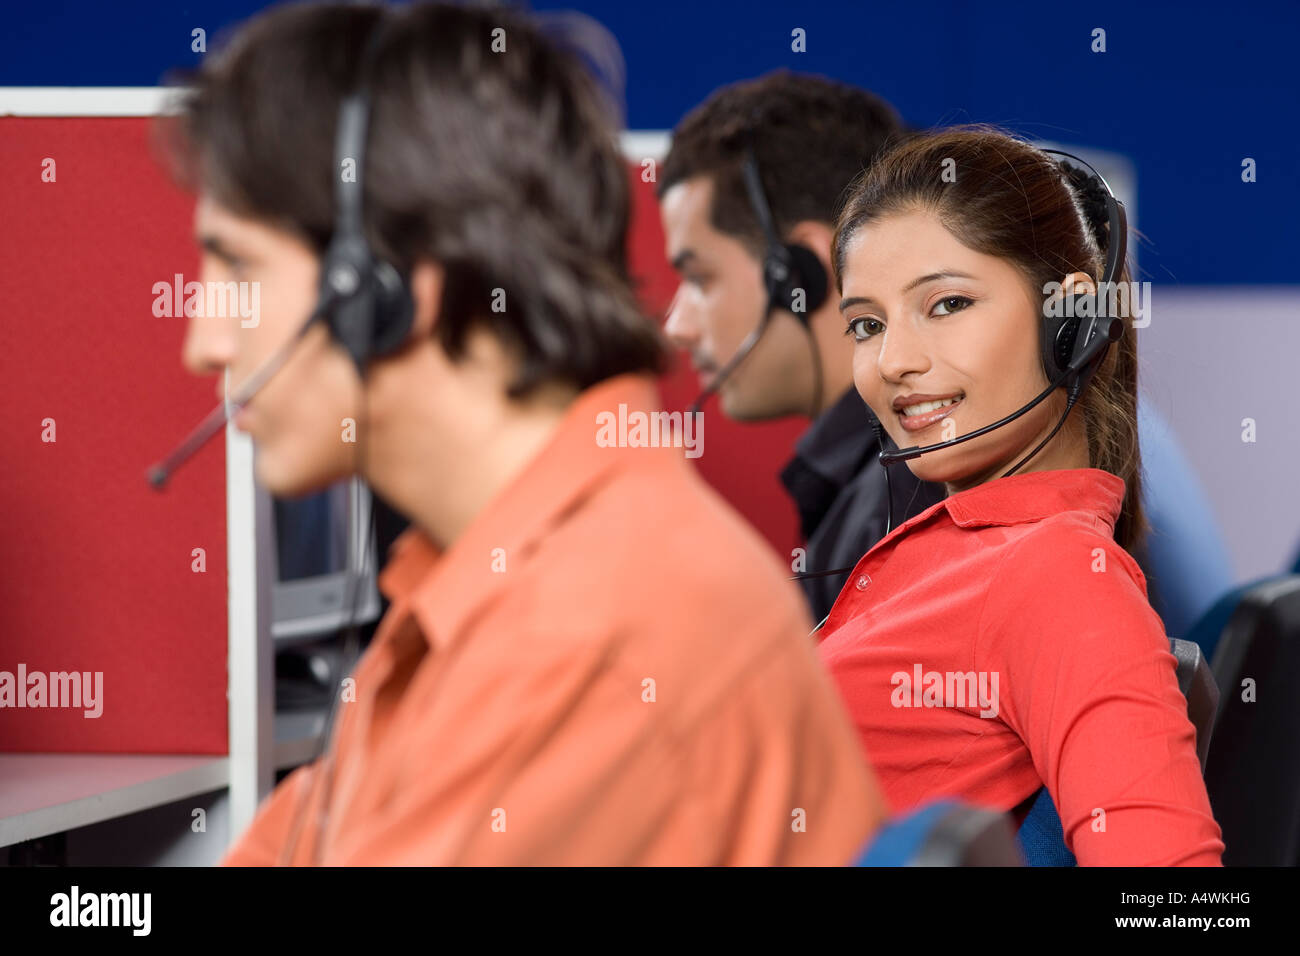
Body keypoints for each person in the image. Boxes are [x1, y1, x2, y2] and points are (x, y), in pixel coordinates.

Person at [167, 1, 886, 865]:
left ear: (387, 286)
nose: (202, 338)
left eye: (239, 265)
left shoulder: (585, 641)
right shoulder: (484, 584)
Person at [817, 125, 1224, 866]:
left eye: (946, 305)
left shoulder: (1059, 577)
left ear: (1070, 319)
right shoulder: (970, 549)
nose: (893, 362)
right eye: (867, 324)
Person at [657, 72, 946, 621]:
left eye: (699, 278)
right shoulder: (878, 488)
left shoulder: (906, 505)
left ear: (803, 272)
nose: (677, 326)